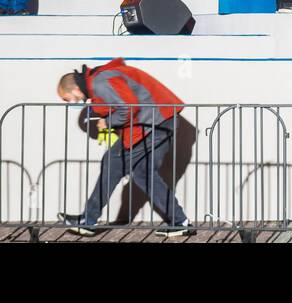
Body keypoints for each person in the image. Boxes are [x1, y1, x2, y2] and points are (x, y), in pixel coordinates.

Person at [56, 58, 193, 237]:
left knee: (115, 163)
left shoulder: (100, 83)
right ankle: (180, 222)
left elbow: (128, 108)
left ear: (75, 89)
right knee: (142, 174)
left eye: (69, 100)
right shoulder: (99, 80)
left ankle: (88, 220)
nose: (72, 103)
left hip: (154, 124)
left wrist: (108, 122)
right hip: (155, 123)